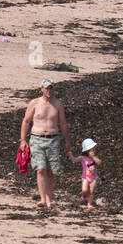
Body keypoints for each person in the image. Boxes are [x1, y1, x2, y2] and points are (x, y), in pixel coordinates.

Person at [18, 78, 75, 209]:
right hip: (37, 138)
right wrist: (23, 140)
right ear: (41, 89)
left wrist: (67, 141)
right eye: (46, 88)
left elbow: (63, 123)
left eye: (51, 87)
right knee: (40, 169)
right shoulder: (35, 103)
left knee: (51, 170)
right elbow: (26, 121)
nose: (49, 90)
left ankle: (49, 199)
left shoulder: (57, 104)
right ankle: (42, 199)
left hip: (53, 139)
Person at [74, 137, 101, 210]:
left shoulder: (94, 158)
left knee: (91, 191)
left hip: (93, 178)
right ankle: (83, 197)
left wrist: (93, 157)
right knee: (85, 190)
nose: (94, 151)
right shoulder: (83, 158)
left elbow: (99, 163)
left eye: (94, 149)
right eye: (92, 149)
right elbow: (75, 160)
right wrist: (70, 155)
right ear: (87, 151)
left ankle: (89, 203)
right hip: (85, 177)